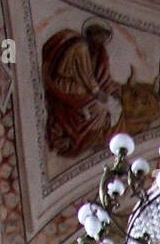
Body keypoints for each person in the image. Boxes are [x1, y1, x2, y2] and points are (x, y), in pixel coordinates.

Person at [41, 18, 120, 158]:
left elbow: (99, 77)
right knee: (99, 110)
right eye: (101, 36)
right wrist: (98, 94)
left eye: (105, 37)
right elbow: (87, 77)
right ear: (92, 34)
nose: (102, 41)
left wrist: (109, 91)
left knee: (104, 107)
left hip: (79, 87)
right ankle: (79, 138)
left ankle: (87, 137)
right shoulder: (81, 48)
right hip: (68, 86)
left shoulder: (93, 51)